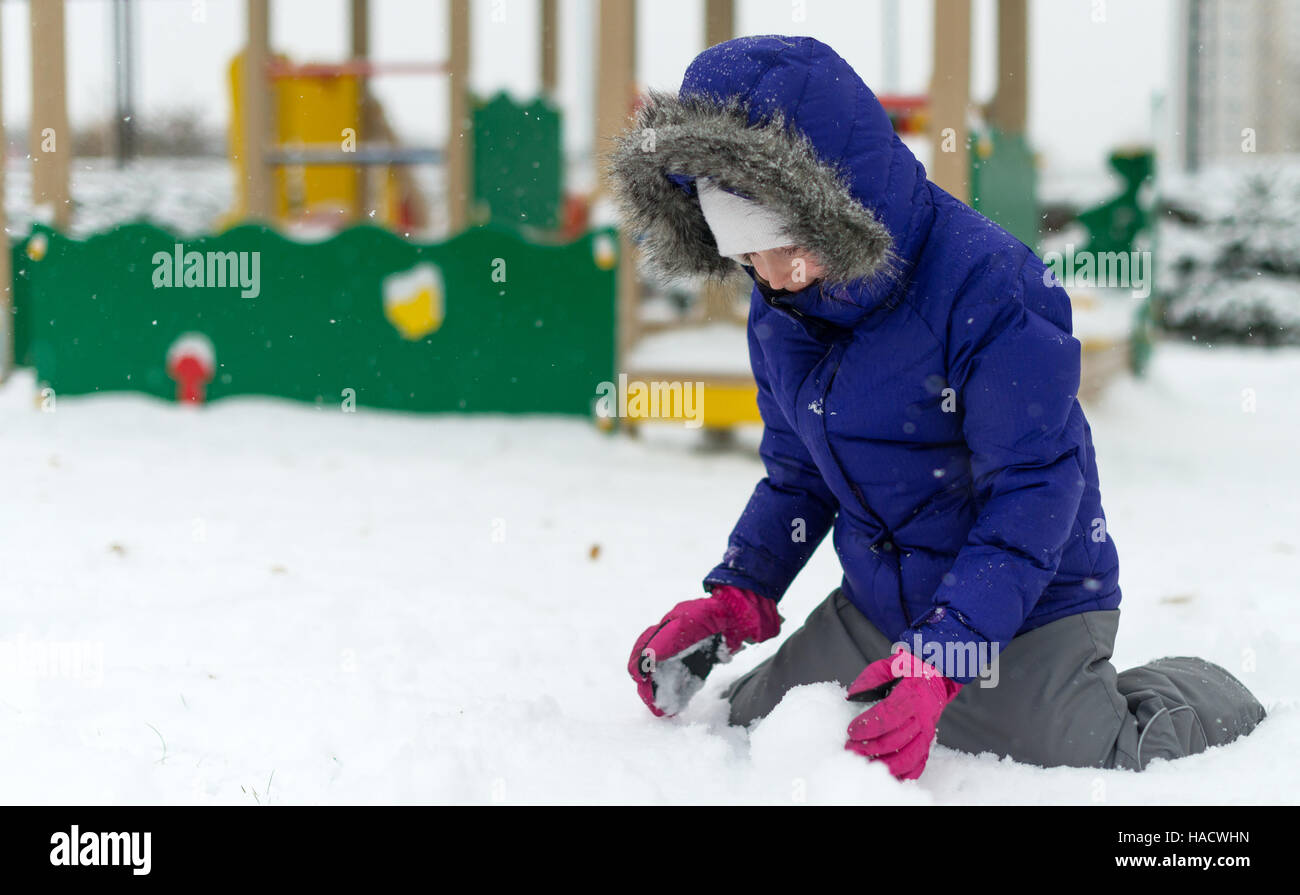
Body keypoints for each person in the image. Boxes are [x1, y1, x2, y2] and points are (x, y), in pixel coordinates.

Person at [609, 35, 1265, 779]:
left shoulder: (992, 289)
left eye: (783, 245)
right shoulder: (779, 310)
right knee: (754, 726)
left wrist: (947, 649)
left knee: (1084, 753)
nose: (769, 275)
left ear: (835, 207)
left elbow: (1032, 491)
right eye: (745, 253)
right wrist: (739, 593)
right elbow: (799, 477)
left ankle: (1194, 693)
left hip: (1029, 605)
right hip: (879, 608)